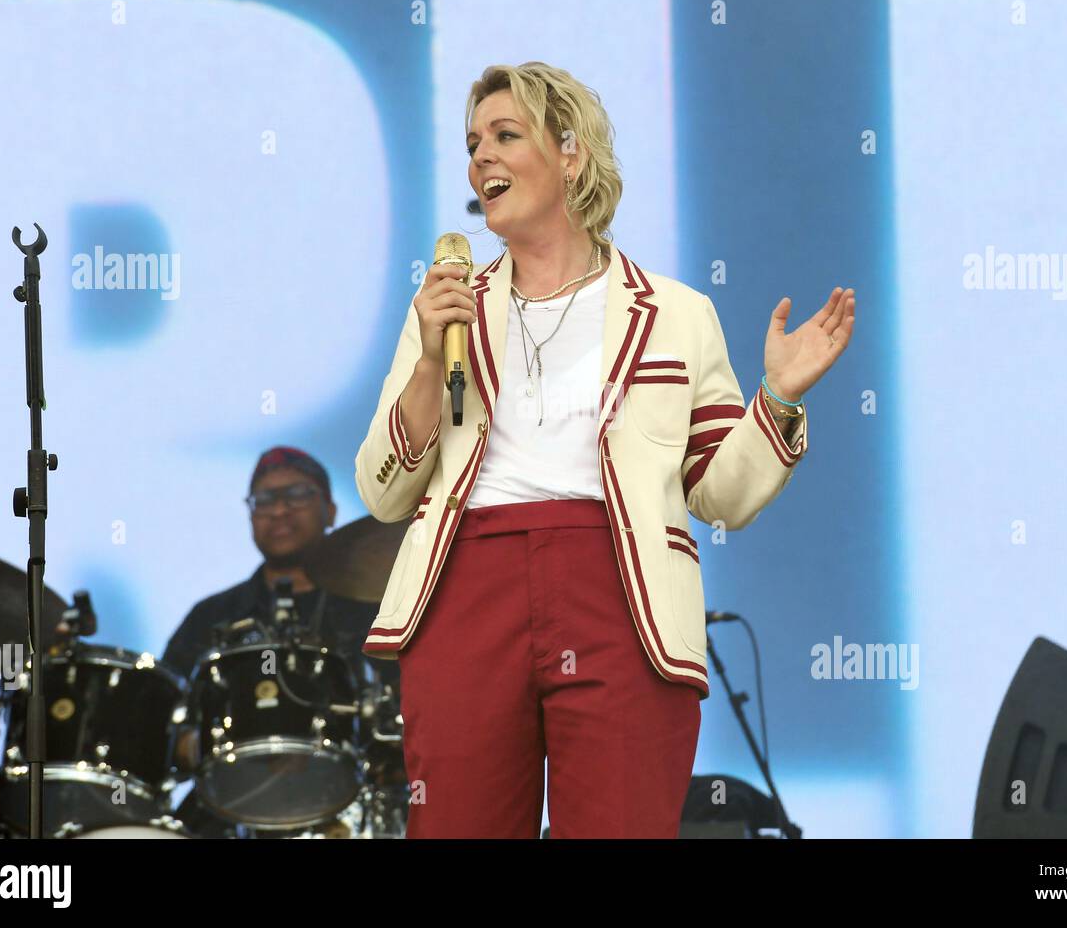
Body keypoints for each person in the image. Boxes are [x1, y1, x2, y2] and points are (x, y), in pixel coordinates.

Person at [354, 62, 855, 838]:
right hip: (466, 587)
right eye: (472, 143)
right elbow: (382, 491)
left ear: (570, 153)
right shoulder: (446, 313)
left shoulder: (677, 315)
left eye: (505, 135)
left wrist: (779, 399)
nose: (480, 157)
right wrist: (427, 362)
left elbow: (723, 494)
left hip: (620, 590)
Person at [162, 446, 398, 835]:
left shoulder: (374, 610)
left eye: (298, 494)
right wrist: (191, 744)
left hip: (353, 806)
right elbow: (163, 716)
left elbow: (409, 710)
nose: (280, 510)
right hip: (232, 806)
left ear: (331, 510)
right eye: (264, 500)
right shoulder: (213, 615)